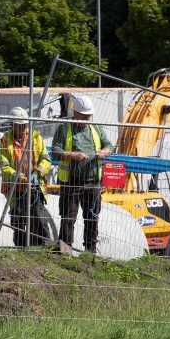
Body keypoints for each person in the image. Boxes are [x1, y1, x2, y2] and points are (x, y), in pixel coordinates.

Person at [52, 93, 113, 253]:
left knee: (92, 218)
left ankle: (90, 252)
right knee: (68, 218)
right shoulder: (64, 129)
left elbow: (109, 145)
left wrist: (104, 152)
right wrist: (73, 155)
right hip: (71, 182)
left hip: (93, 182)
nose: (86, 119)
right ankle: (65, 252)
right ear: (75, 113)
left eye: (88, 116)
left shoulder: (96, 128)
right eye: (83, 116)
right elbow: (56, 151)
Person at [0, 107, 52, 247]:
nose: (22, 128)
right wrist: (18, 176)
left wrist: (37, 172)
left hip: (35, 186)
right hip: (15, 190)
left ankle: (46, 248)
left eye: (24, 125)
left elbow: (46, 159)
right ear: (12, 125)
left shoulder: (35, 137)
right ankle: (22, 251)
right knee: (18, 222)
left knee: (40, 219)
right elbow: (4, 166)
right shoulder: (3, 142)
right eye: (19, 125)